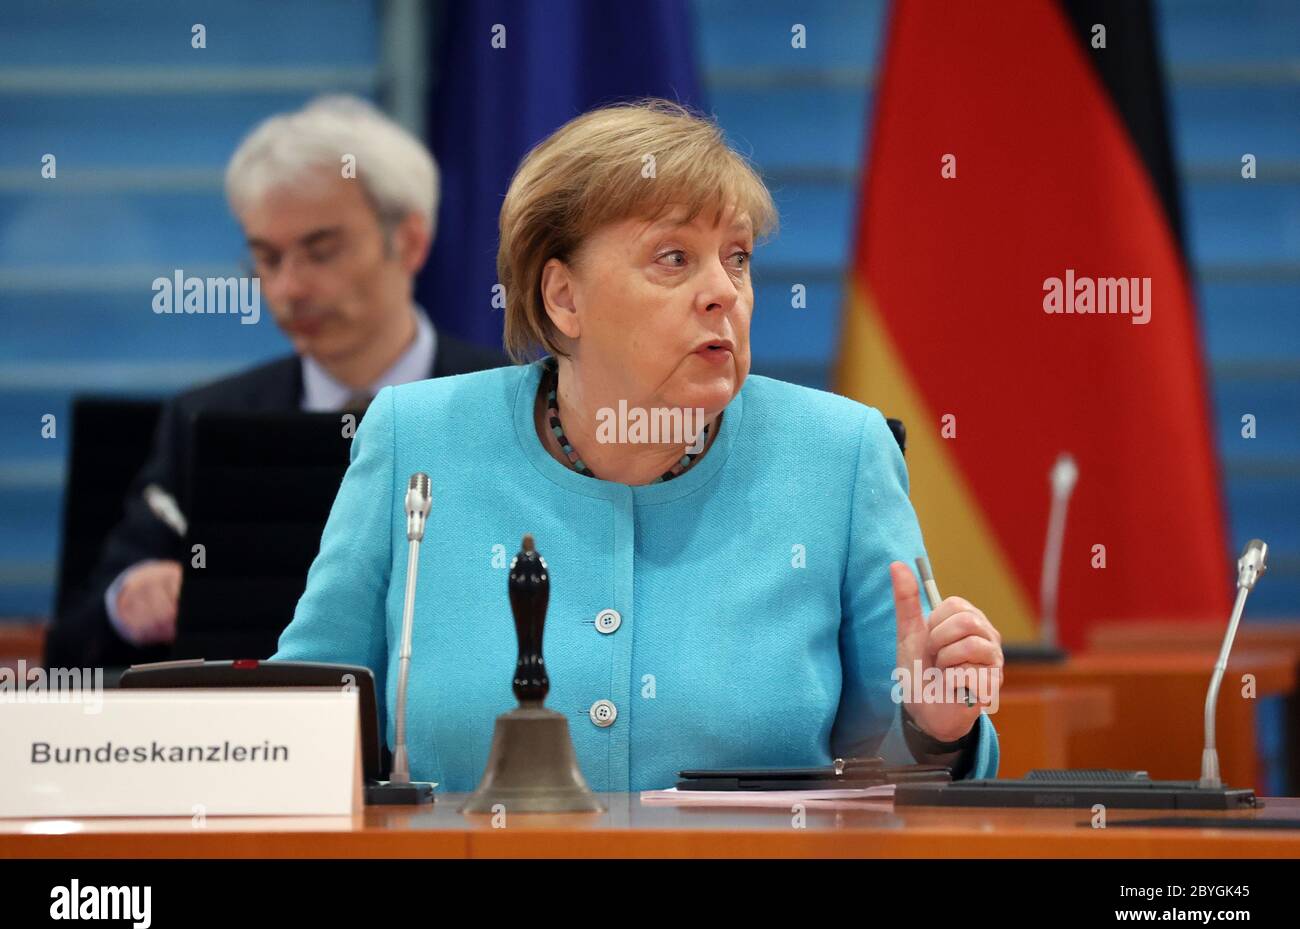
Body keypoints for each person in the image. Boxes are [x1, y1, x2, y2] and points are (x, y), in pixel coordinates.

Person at [273, 99, 1004, 792]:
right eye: (674, 258)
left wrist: (937, 725)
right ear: (564, 298)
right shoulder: (415, 436)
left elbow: (904, 770)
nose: (724, 291)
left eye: (738, 257)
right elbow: (294, 726)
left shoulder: (840, 454)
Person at [44, 96, 507, 670]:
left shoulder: (507, 400)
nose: (289, 288)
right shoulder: (205, 419)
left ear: (409, 242)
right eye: (266, 258)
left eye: (320, 252)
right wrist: (130, 597)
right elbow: (73, 644)